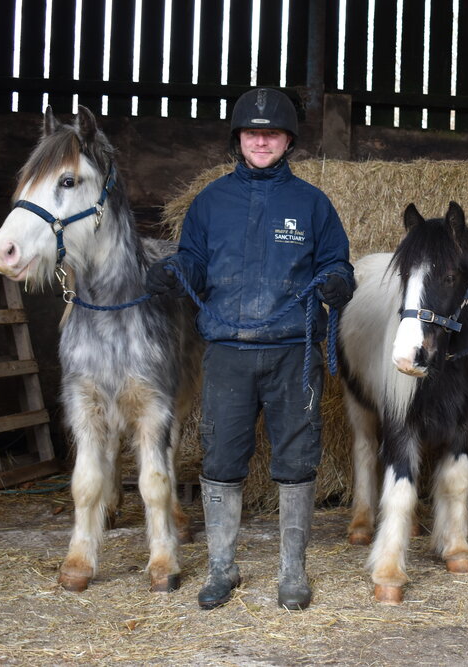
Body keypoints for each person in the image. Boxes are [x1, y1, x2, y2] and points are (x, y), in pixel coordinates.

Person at [145, 87, 355, 611]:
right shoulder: (211, 202)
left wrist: (335, 283)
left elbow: (338, 264)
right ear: (238, 139)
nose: (262, 141)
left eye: (273, 133)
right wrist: (175, 272)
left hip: (293, 353)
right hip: (227, 352)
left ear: (288, 141)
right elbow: (193, 258)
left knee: (297, 460)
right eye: (252, 133)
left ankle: (292, 571)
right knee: (221, 459)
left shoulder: (312, 203)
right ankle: (222, 568)